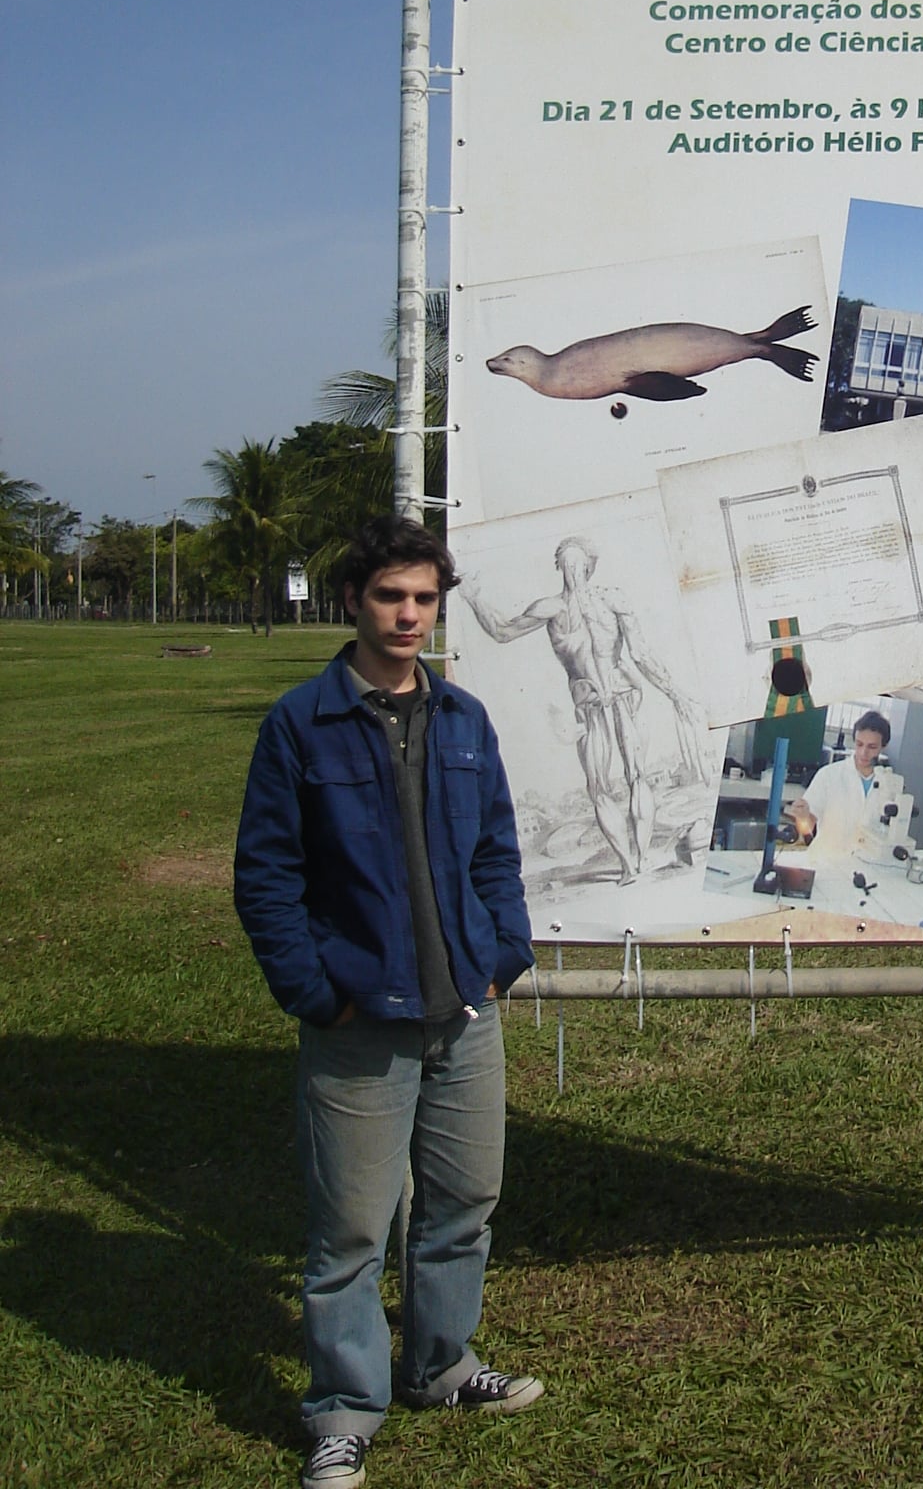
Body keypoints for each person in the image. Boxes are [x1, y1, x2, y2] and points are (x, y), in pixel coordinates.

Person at [235, 516, 541, 1489]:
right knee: (352, 1233)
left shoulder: (462, 721)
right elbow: (266, 874)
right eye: (389, 597)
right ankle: (342, 1411)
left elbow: (496, 851)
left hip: (466, 1014)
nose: (408, 615)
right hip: (360, 1022)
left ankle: (442, 1366)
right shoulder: (299, 723)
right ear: (354, 603)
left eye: (423, 599)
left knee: (463, 1208)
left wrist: (505, 953)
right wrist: (316, 994)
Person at [462, 536, 709, 884]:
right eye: (568, 564)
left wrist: (675, 693)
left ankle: (636, 860)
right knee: (600, 785)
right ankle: (629, 864)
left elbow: (640, 654)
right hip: (590, 704)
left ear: (589, 567)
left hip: (622, 696)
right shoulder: (552, 608)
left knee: (635, 777)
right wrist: (473, 597)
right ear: (560, 567)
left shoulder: (611, 600)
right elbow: (502, 632)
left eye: (577, 564)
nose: (574, 571)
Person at [787, 710, 894, 866]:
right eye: (859, 744)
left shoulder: (889, 783)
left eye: (872, 747)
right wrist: (803, 816)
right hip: (827, 863)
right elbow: (807, 827)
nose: (863, 752)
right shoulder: (829, 775)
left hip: (868, 867)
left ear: (883, 747)